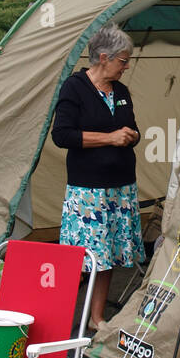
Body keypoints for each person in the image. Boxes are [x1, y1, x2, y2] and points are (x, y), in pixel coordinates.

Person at [51, 25, 144, 330]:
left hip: (120, 187)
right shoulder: (74, 88)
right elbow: (62, 135)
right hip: (88, 191)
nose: (126, 66)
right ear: (103, 58)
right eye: (122, 60)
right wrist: (110, 138)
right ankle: (58, 315)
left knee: (108, 257)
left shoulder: (121, 92)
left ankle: (96, 318)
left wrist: (131, 137)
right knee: (82, 256)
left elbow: (131, 129)